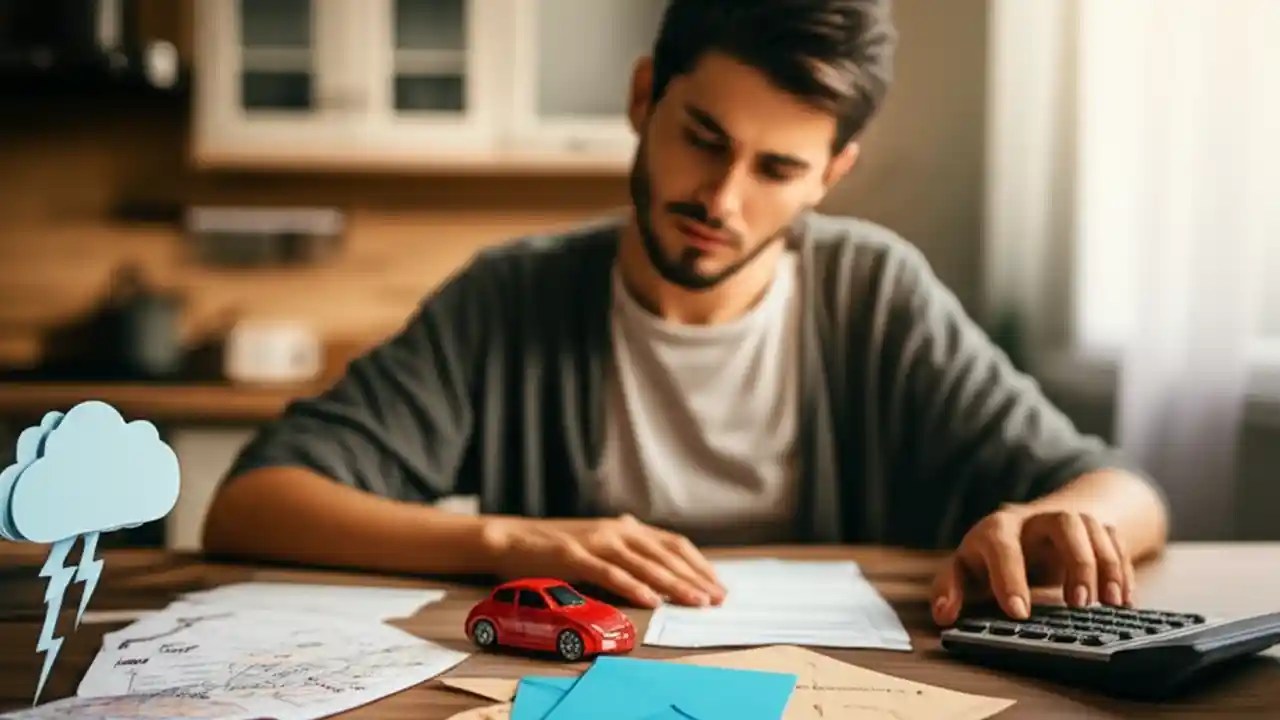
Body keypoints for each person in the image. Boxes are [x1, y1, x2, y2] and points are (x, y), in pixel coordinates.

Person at [202, 0, 1169, 628]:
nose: (722, 197)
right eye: (703, 139)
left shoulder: (877, 295)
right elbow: (252, 504)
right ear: (642, 99)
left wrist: (1050, 517)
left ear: (830, 177)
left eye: (779, 168)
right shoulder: (512, 298)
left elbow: (1127, 494)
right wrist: (514, 539)